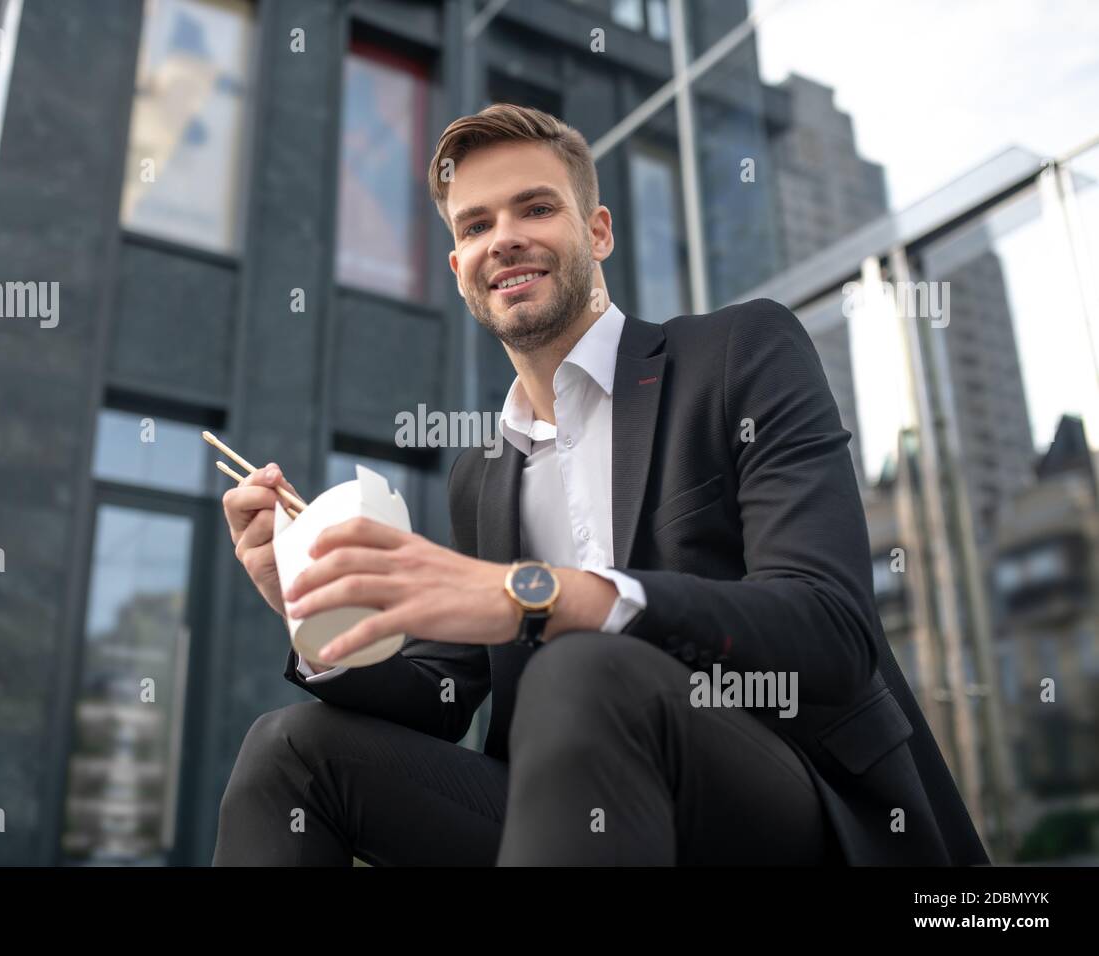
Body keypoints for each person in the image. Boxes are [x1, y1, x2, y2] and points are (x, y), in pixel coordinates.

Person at [211, 104, 988, 866]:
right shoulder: (479, 475)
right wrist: (311, 606)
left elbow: (830, 626)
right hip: (568, 812)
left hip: (786, 804)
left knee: (582, 663)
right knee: (288, 751)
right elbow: (436, 701)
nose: (504, 238)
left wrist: (548, 597)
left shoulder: (737, 354)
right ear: (460, 271)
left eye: (536, 208)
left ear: (598, 231)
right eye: (475, 226)